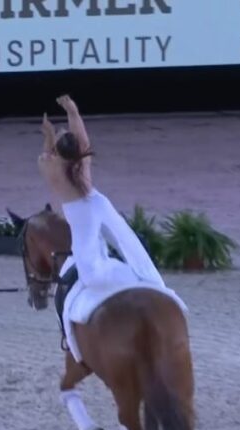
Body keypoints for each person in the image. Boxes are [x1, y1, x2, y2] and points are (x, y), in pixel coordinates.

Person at [38, 95, 165, 290]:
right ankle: (152, 281)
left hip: (79, 213)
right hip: (97, 203)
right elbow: (80, 134)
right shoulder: (82, 159)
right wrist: (72, 110)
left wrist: (48, 136)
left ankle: (103, 282)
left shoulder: (53, 169)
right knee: (127, 241)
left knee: (87, 258)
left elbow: (46, 156)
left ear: (56, 150)